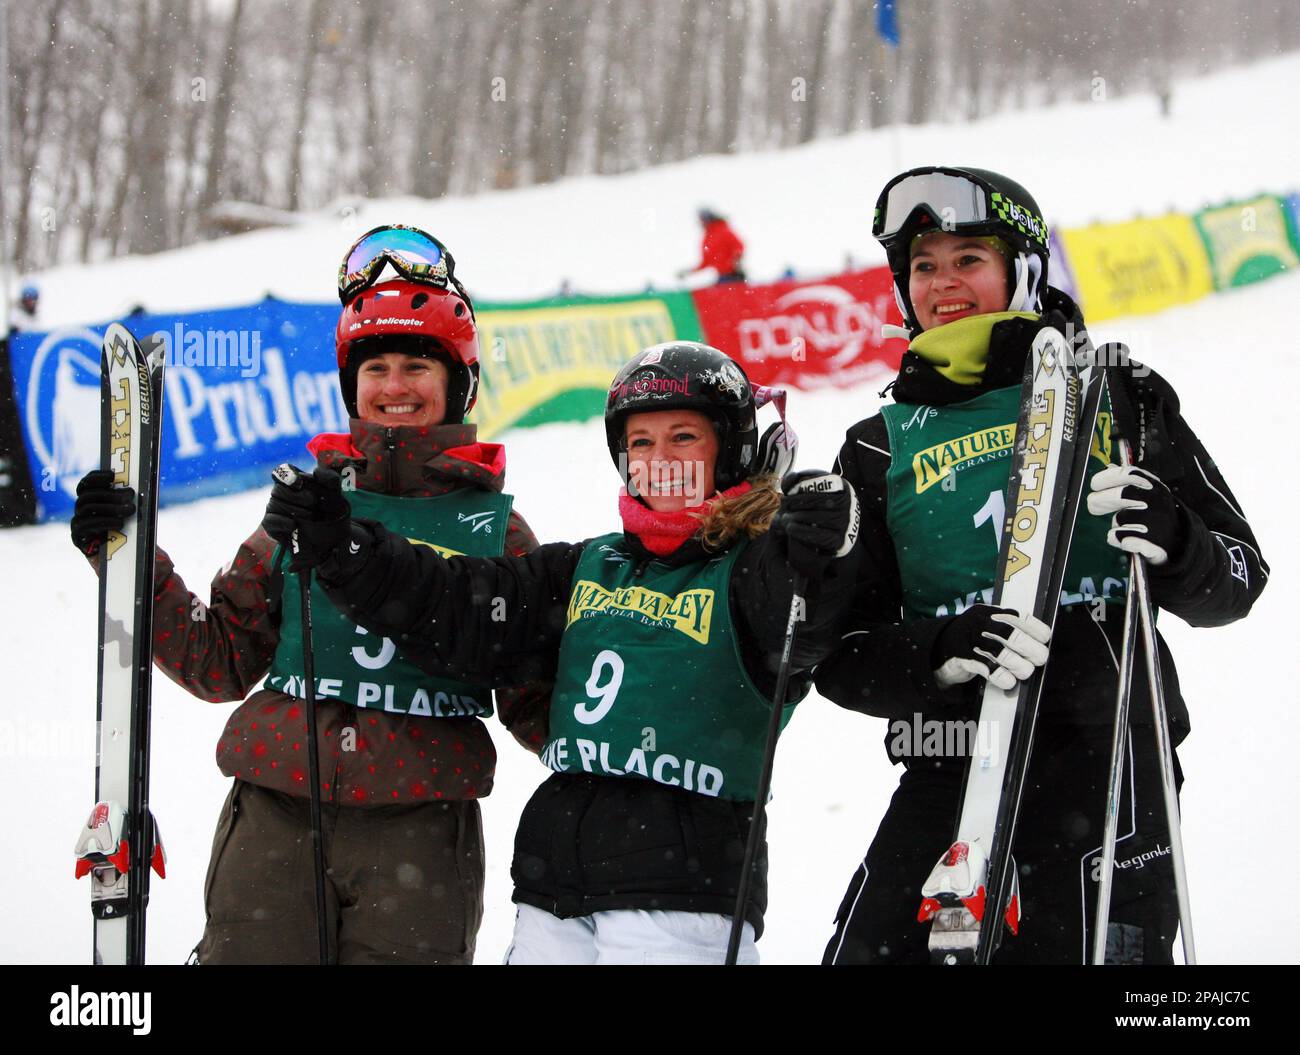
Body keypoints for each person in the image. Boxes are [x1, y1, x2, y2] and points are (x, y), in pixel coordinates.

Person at [262, 341, 863, 964]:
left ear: (732, 450)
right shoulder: (585, 566)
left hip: (683, 898)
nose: (658, 460)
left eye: (684, 437)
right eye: (640, 442)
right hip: (556, 888)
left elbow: (804, 616)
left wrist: (826, 545)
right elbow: (455, 601)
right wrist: (344, 546)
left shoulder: (752, 570)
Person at [816, 166, 1268, 965]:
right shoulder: (877, 446)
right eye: (924, 265)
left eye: (968, 260)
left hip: (1108, 763)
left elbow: (1237, 576)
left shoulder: (1115, 396)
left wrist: (1176, 539)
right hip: (948, 763)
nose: (944, 284)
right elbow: (841, 655)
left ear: (1021, 269)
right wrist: (939, 648)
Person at [69, 225, 550, 964]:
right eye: (376, 367)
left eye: (418, 366)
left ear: (458, 382)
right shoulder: (304, 508)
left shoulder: (497, 530)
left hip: (419, 835)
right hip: (274, 818)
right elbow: (219, 657)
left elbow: (542, 703)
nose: (394, 386)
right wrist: (127, 557)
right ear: (350, 384)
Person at [680, 208, 746, 284]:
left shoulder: (722, 230)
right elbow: (706, 261)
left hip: (733, 275)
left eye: (702, 219)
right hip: (722, 276)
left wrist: (736, 262)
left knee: (724, 292)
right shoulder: (708, 237)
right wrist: (690, 272)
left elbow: (739, 246)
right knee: (718, 291)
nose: (701, 222)